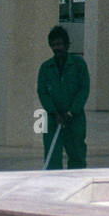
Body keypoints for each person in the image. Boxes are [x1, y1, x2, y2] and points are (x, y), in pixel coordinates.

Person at [37, 25, 89, 170]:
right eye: (53, 45)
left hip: (74, 118)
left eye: (59, 44)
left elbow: (84, 89)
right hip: (52, 119)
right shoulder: (45, 68)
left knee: (77, 153)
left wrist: (71, 111)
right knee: (52, 154)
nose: (57, 48)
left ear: (66, 45)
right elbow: (42, 92)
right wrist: (53, 112)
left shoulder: (79, 65)